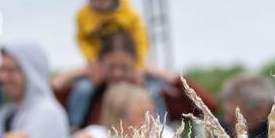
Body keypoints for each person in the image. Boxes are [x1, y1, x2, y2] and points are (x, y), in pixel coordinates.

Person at [52, 31, 216, 131]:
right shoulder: (90, 95)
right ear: (102, 64)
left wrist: (160, 73)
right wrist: (83, 70)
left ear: (136, 64)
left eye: (124, 68)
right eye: (111, 67)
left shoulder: (153, 95)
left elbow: (207, 107)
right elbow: (48, 99)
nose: (117, 74)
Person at [0, 43, 68, 138]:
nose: (3, 77)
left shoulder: (48, 114)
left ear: (31, 71)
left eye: (11, 70)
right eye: (1, 70)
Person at [76, 0, 149, 67]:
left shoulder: (129, 15)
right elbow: (82, 39)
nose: (95, 3)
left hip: (128, 64)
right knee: (84, 83)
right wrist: (92, 59)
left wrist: (138, 64)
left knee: (151, 81)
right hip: (100, 64)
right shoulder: (83, 15)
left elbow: (141, 40)